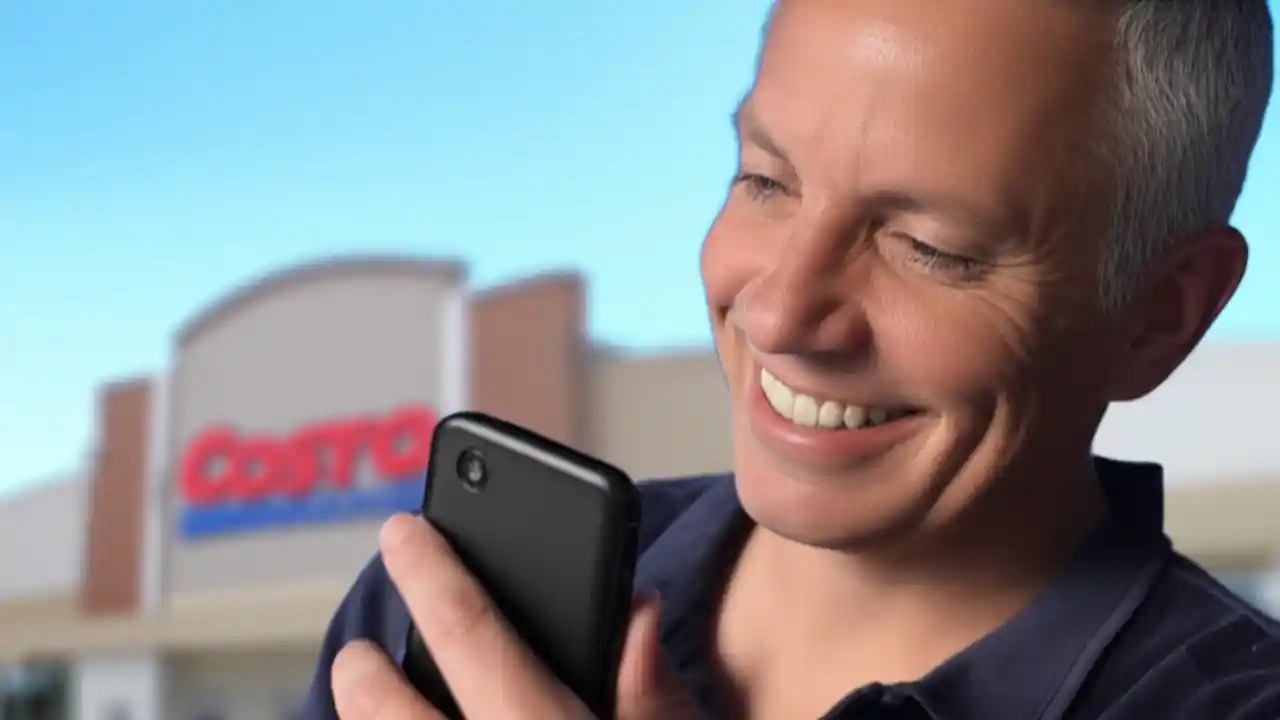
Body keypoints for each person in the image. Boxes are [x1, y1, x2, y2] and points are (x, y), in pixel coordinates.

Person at [303, 0, 1280, 717]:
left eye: (928, 247)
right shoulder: (440, 612)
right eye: (764, 182)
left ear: (1158, 314)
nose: (775, 312)